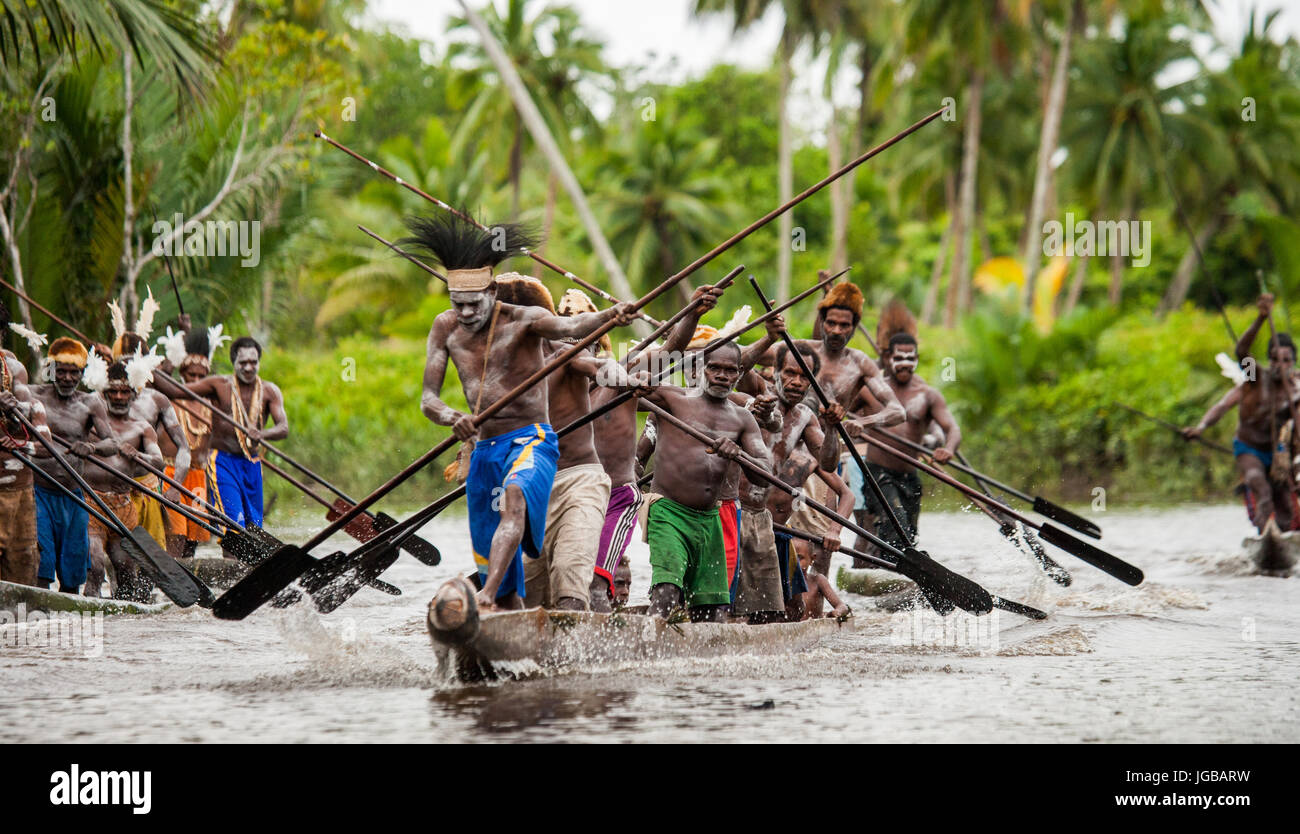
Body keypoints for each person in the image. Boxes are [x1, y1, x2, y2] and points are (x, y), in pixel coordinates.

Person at [409, 212, 637, 611]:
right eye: (456, 304)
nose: (465, 314)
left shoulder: (532, 328)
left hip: (545, 454)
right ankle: (499, 609)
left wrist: (609, 318)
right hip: (490, 453)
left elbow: (573, 329)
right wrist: (451, 417)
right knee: (510, 577)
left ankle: (490, 595)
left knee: (532, 525)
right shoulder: (446, 328)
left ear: (493, 293)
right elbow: (429, 399)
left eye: (473, 305)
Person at [572, 283, 724, 612]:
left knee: (597, 582)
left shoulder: (622, 373)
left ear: (598, 346)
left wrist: (694, 313)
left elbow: (671, 346)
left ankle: (600, 649)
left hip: (615, 497)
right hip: (572, 496)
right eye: (569, 342)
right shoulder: (554, 389)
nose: (576, 349)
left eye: (583, 342)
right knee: (568, 578)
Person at [637, 342, 772, 622]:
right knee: (666, 591)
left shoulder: (743, 418)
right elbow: (623, 392)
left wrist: (742, 455)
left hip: (710, 520)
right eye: (715, 368)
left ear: (739, 374)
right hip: (668, 512)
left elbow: (764, 473)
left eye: (729, 371)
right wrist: (636, 379)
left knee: (713, 611)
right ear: (700, 370)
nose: (722, 376)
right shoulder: (672, 399)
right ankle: (645, 655)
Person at [844, 301, 962, 552]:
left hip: (910, 476)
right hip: (877, 473)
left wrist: (948, 449)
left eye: (911, 358)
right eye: (899, 358)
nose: (905, 363)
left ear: (917, 359)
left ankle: (894, 574)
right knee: (895, 524)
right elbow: (841, 412)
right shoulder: (872, 389)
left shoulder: (928, 395)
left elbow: (952, 429)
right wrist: (852, 424)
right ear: (888, 357)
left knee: (908, 535)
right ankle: (890, 575)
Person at [1184, 294, 1300, 531]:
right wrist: (1260, 318)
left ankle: (1284, 545)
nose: (1281, 365)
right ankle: (1263, 539)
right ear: (1269, 360)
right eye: (1276, 360)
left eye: (1287, 361)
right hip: (1250, 449)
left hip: (1278, 453)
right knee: (1263, 493)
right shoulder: (1255, 378)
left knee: (1286, 510)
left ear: (1294, 363)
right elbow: (1240, 353)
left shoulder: (1296, 389)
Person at [758, 342, 854, 620]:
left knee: (793, 609)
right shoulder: (755, 400)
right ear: (774, 372)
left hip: (779, 532)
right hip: (741, 521)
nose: (797, 382)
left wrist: (833, 427)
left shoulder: (805, 419)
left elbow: (829, 464)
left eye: (804, 377)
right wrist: (768, 337)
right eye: (789, 373)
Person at [29, 338, 118, 593]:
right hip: (38, 493)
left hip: (73, 496)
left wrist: (91, 448)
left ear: (82, 374)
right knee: (41, 566)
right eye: (62, 371)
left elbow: (111, 443)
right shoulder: (33, 396)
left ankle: (66, 623)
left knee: (71, 576)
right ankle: (38, 623)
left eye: (74, 372)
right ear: (51, 370)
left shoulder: (90, 403)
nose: (67, 378)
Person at [185, 336, 288, 538]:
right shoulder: (219, 385)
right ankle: (231, 566)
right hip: (222, 461)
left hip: (251, 463)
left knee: (254, 529)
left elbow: (283, 428)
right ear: (234, 363)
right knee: (234, 524)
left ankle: (249, 568)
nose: (249, 368)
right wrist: (151, 375)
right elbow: (178, 390)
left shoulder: (270, 391)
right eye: (243, 363)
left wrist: (262, 434)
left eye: (253, 362)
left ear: (259, 362)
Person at [84, 362, 165, 600]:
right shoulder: (89, 421)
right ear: (103, 393)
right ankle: (90, 619)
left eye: (124, 392)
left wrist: (139, 455)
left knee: (127, 571)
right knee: (96, 566)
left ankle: (123, 626)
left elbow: (159, 462)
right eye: (113, 392)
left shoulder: (142, 428)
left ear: (134, 394)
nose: (119, 397)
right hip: (91, 503)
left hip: (124, 507)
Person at [0, 303, 48, 586]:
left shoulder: (13, 368)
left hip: (19, 491)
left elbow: (27, 432)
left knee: (23, 570)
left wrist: (10, 415)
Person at [163, 329, 218, 559]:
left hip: (198, 478)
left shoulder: (213, 403)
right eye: (190, 375)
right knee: (175, 535)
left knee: (192, 541)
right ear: (181, 373)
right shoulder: (168, 398)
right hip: (171, 474)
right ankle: (171, 584)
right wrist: (179, 342)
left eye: (200, 376)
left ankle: (185, 589)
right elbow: (156, 375)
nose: (194, 381)